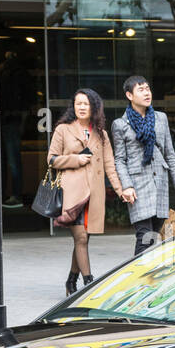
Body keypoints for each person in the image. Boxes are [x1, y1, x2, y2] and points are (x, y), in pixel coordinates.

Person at [48, 88, 124, 295]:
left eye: (86, 103)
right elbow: (51, 159)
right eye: (78, 103)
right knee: (80, 238)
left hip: (94, 194)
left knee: (83, 239)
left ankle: (71, 280)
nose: (81, 107)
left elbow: (110, 165)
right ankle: (89, 285)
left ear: (94, 107)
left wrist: (120, 190)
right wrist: (75, 159)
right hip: (72, 192)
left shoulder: (102, 134)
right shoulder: (63, 129)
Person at [111, 75, 175, 255]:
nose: (147, 93)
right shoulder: (120, 124)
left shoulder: (161, 118)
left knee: (158, 236)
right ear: (129, 95)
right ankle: (136, 279)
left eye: (148, 89)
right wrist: (127, 186)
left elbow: (170, 153)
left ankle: (152, 277)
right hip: (137, 187)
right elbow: (120, 160)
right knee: (144, 236)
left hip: (160, 183)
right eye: (141, 90)